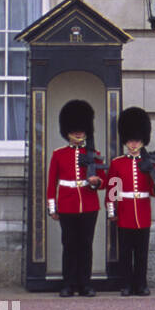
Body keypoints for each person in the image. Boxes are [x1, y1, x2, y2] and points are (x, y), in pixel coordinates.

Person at [47, 99, 105, 297]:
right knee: (69, 245)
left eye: (81, 129)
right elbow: (51, 183)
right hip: (67, 205)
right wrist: (52, 208)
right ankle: (69, 283)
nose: (79, 133)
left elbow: (104, 182)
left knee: (86, 246)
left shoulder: (94, 154)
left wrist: (96, 181)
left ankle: (85, 284)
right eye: (75, 129)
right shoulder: (58, 155)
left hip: (89, 205)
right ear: (68, 131)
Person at [105, 107, 155, 296]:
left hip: (143, 214)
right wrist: (111, 212)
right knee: (125, 253)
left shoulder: (149, 164)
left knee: (141, 254)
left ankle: (141, 284)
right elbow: (112, 190)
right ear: (126, 141)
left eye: (137, 140)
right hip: (125, 214)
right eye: (130, 140)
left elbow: (153, 191)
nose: (133, 144)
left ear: (142, 141)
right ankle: (126, 284)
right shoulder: (117, 163)